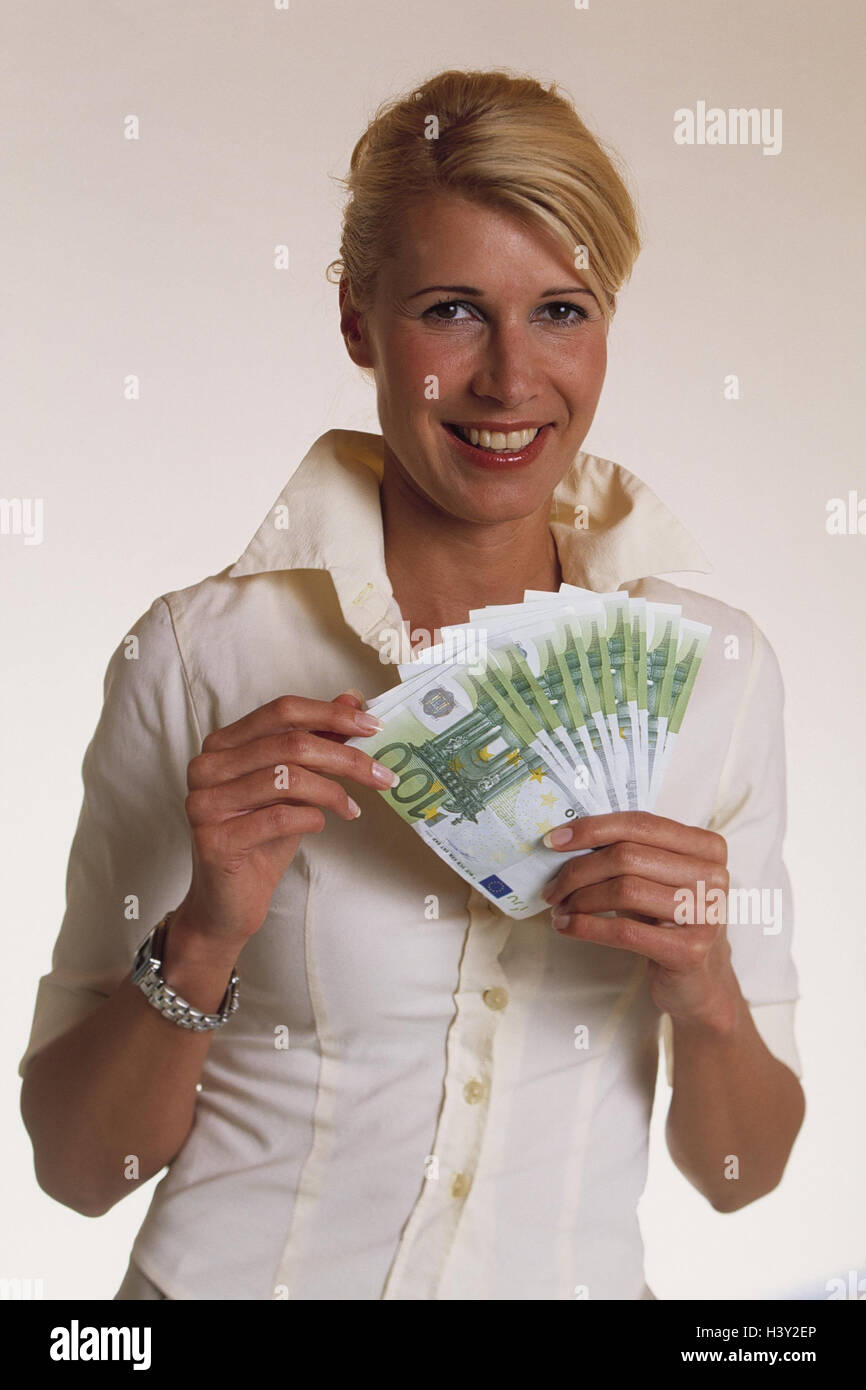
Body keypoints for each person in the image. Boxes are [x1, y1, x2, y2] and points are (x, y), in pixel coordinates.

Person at [19, 68, 804, 1301]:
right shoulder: (194, 656)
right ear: (356, 320)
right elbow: (77, 1167)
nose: (507, 382)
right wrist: (208, 931)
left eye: (559, 310)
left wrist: (703, 992)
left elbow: (739, 1173)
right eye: (451, 310)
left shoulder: (715, 675)